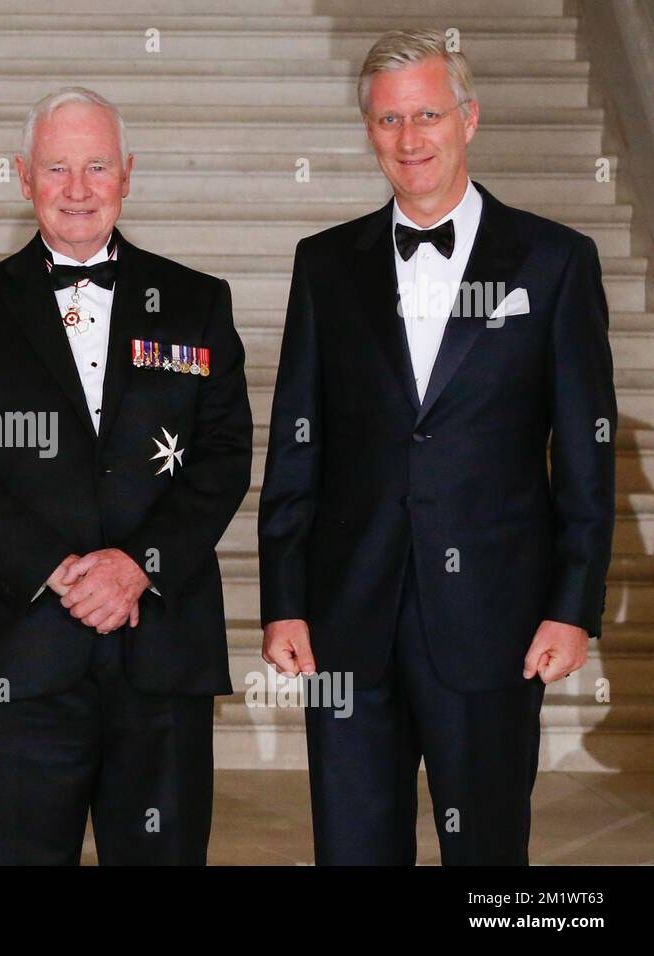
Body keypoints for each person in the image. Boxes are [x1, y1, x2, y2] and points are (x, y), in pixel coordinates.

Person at [258, 28, 616, 864]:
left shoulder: (556, 261)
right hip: (349, 619)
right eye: (388, 120)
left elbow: (587, 453)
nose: (409, 139)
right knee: (352, 849)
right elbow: (296, 443)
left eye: (427, 114)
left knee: (490, 853)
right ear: (368, 130)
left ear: (469, 119)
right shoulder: (324, 264)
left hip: (495, 618)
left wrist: (574, 603)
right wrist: (286, 596)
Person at [0, 88, 253, 865]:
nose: (77, 188)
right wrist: (58, 572)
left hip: (162, 656)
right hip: (24, 658)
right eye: (57, 167)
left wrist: (139, 565)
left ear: (127, 174)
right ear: (23, 175)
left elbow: (224, 453)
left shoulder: (199, 303)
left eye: (96, 166)